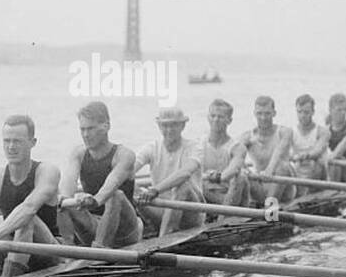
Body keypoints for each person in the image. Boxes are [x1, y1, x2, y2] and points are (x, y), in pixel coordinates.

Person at [0, 114, 63, 277]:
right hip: (11, 248)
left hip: (48, 253)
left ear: (33, 142)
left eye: (17, 141)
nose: (11, 147)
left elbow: (28, 208)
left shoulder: (47, 171)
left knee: (27, 219)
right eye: (7, 141)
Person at [59, 101, 142, 248]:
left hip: (126, 230)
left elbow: (110, 185)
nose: (85, 135)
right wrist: (66, 199)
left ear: (106, 126)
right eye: (82, 129)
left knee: (116, 195)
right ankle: (67, 250)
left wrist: (94, 200)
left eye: (90, 129)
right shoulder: (78, 154)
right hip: (95, 223)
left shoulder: (124, 155)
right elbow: (67, 186)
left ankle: (98, 249)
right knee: (60, 200)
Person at [134, 107, 205, 236]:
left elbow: (185, 173)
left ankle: (162, 239)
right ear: (159, 126)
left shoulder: (194, 147)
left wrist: (155, 190)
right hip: (161, 209)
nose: (169, 130)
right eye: (165, 125)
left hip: (191, 213)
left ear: (183, 126)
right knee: (127, 183)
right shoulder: (152, 147)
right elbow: (129, 169)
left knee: (183, 186)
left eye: (174, 125)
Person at [225, 95, 296, 205]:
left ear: (274, 113)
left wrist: (269, 170)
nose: (263, 118)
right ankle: (264, 206)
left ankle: (269, 209)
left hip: (284, 188)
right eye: (259, 113)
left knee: (283, 166)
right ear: (254, 114)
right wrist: (243, 168)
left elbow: (279, 152)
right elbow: (234, 156)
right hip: (261, 187)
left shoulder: (285, 132)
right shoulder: (247, 137)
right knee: (241, 173)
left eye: (267, 113)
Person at [195, 98, 248, 207]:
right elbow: (191, 171)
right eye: (213, 116)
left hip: (230, 195)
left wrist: (216, 177)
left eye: (220, 117)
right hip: (205, 193)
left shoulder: (237, 147)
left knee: (241, 177)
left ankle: (224, 213)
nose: (216, 120)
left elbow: (234, 169)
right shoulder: (199, 143)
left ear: (229, 120)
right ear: (208, 118)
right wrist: (208, 176)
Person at [290, 93, 330, 185]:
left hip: (317, 174)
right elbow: (285, 153)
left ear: (313, 112)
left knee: (318, 163)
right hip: (297, 173)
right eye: (299, 112)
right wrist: (291, 157)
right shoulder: (291, 132)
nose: (302, 115)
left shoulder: (323, 132)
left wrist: (304, 155)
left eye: (306, 112)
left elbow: (317, 151)